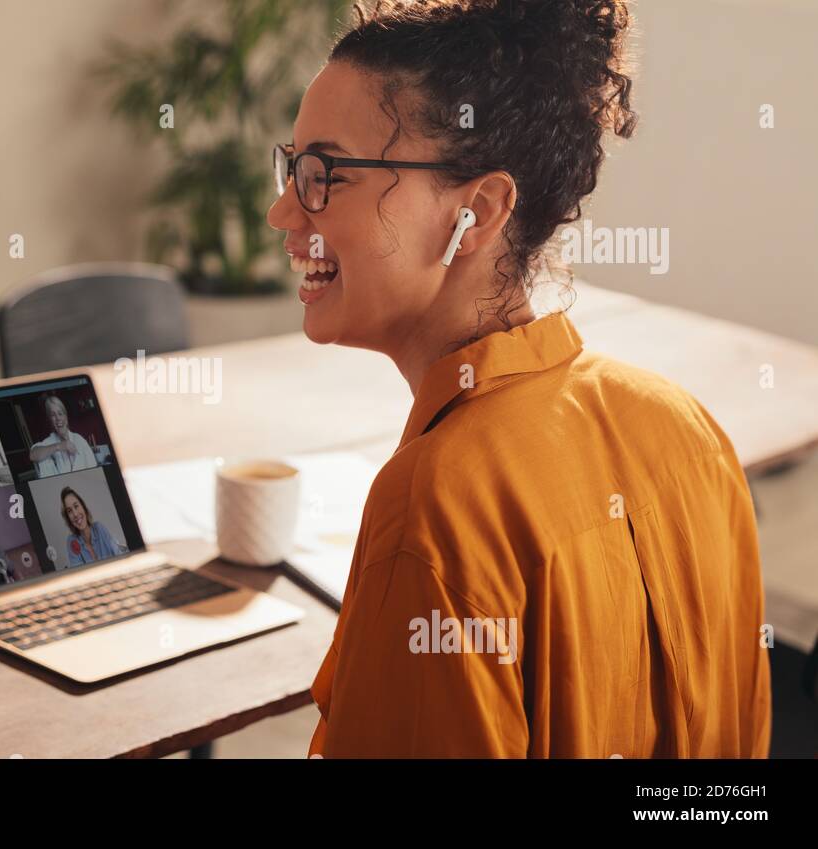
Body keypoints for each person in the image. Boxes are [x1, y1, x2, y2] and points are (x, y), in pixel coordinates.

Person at [268, 0, 768, 757]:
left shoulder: (434, 506)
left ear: (479, 210)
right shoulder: (686, 429)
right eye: (292, 167)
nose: (283, 211)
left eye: (324, 175)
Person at [29, 394, 98, 477]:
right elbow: (33, 455)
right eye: (53, 415)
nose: (58, 418)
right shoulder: (50, 441)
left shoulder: (79, 439)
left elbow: (94, 469)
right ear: (50, 420)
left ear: (66, 416)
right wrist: (59, 446)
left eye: (60, 413)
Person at [60, 487, 126, 567]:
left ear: (83, 507)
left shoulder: (99, 528)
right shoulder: (71, 542)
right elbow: (79, 573)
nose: (75, 514)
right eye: (69, 511)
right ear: (68, 518)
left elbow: (119, 554)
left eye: (76, 506)